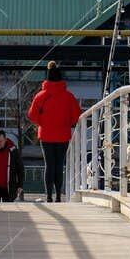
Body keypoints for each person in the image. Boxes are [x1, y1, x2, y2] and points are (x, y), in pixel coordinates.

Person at [27, 60, 82, 202]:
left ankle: (48, 196)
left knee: (49, 165)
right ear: (61, 78)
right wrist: (66, 124)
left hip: (45, 135)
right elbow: (76, 116)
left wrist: (42, 123)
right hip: (63, 135)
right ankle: (58, 195)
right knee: (59, 165)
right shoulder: (69, 96)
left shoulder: (41, 96)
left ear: (48, 77)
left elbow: (32, 115)